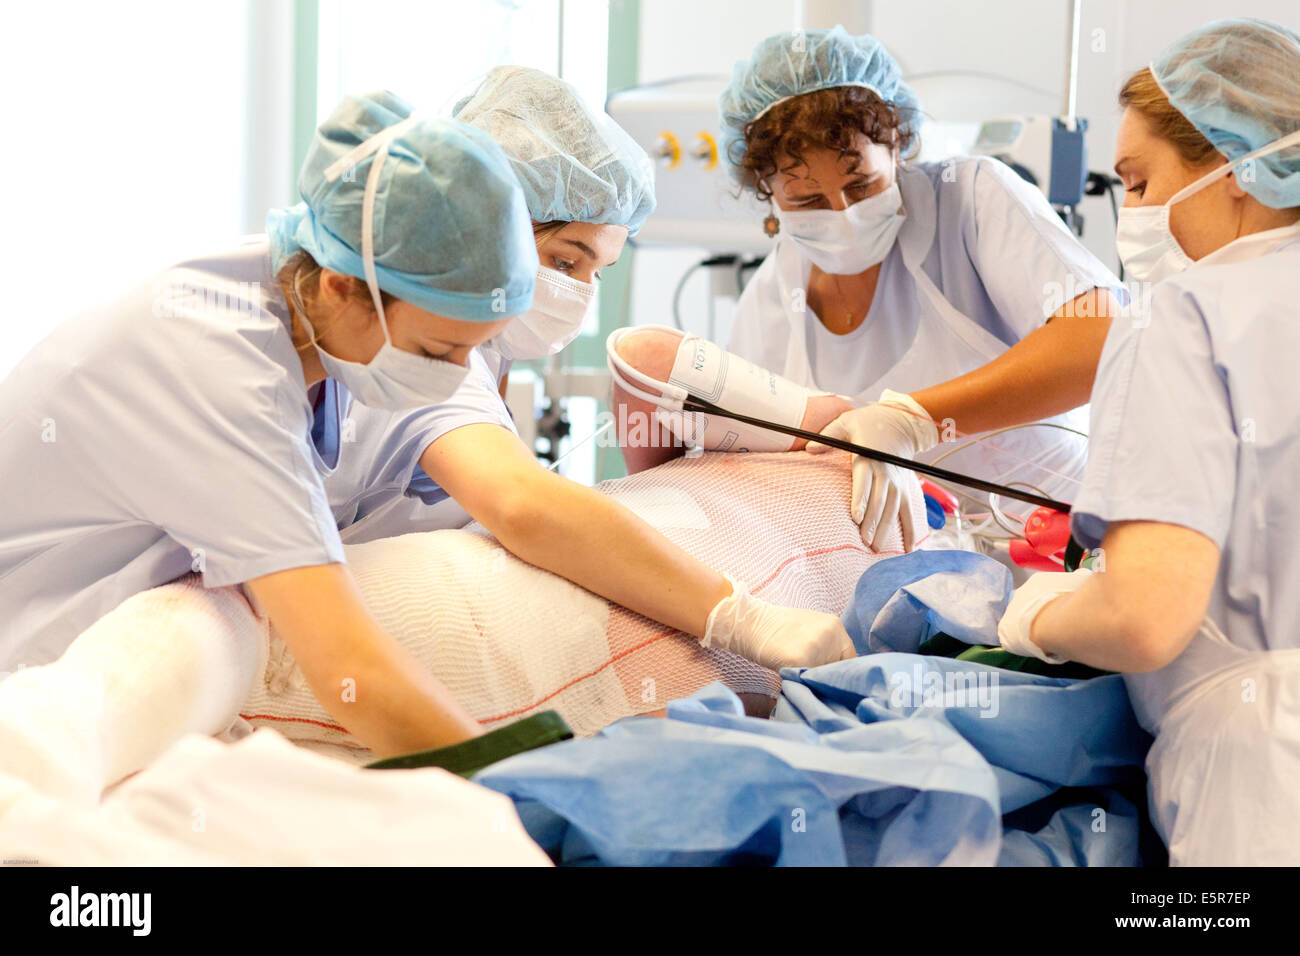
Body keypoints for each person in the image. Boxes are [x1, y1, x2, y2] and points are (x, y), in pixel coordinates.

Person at [0, 92, 540, 765]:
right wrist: (524, 787)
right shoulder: (218, 365)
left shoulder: (308, 312)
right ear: (344, 288)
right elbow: (351, 671)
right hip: (36, 679)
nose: (457, 376)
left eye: (472, 353)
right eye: (436, 353)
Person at [311, 66, 856, 682]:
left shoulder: (485, 346)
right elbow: (523, 503)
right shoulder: (428, 340)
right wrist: (739, 618)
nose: (578, 293)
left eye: (597, 270)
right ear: (487, 228)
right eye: (564, 261)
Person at [627, 26, 1123, 553]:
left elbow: (1101, 340)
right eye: (808, 200)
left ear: (898, 147)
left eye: (862, 185)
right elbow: (756, 473)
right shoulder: (772, 301)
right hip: (910, 589)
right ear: (767, 195)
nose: (843, 213)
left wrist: (913, 420)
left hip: (1067, 549)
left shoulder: (971, 201)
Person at [996, 18, 1300, 865]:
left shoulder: (1181, 316)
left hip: (1266, 785)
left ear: (1238, 166)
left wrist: (1042, 614)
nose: (1130, 213)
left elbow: (1143, 618)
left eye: (1138, 181)